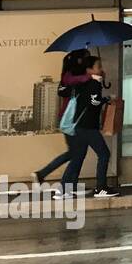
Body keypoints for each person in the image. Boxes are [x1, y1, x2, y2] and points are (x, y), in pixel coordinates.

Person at [59, 56, 114, 198]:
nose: (101, 69)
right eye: (98, 66)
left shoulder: (83, 83)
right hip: (88, 126)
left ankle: (63, 189)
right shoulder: (93, 83)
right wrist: (106, 99)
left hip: (79, 125)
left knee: (77, 157)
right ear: (89, 69)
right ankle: (101, 188)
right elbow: (93, 102)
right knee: (104, 154)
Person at [34, 50, 92, 185]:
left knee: (77, 153)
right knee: (76, 153)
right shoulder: (70, 76)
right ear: (78, 61)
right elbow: (74, 80)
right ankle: (61, 184)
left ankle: (66, 185)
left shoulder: (78, 75)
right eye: (86, 58)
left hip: (76, 119)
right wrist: (91, 76)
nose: (87, 61)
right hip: (70, 120)